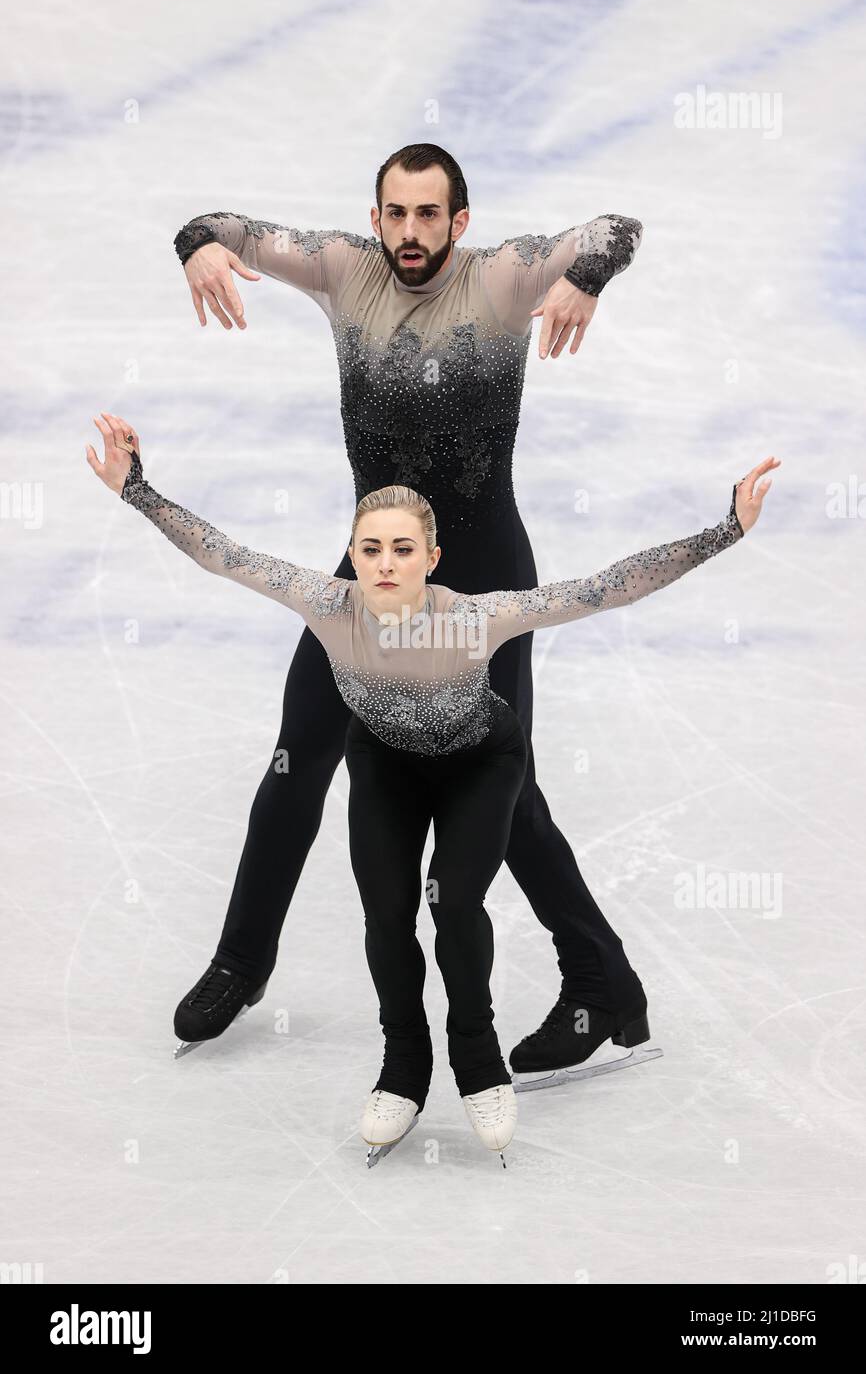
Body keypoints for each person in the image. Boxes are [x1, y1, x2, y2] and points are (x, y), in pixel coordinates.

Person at [85, 409, 778, 1159]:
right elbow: (222, 554)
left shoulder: (475, 619)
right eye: (371, 548)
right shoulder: (326, 605)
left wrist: (726, 529)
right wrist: (138, 490)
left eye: (403, 549)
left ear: (432, 557)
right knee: (386, 915)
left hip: (480, 766)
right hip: (386, 765)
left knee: (451, 900)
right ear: (351, 555)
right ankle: (403, 1069)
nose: (385, 562)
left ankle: (478, 1066)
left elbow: (605, 589)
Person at [168, 142, 654, 1080]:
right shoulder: (345, 271)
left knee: (505, 793)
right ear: (377, 215)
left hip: (479, 586)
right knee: (299, 750)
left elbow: (616, 229)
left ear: (458, 222)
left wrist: (588, 276)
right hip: (374, 577)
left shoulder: (505, 279)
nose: (410, 233)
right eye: (395, 213)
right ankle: (242, 960)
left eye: (429, 215)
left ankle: (601, 982)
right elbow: (217, 227)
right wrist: (194, 247)